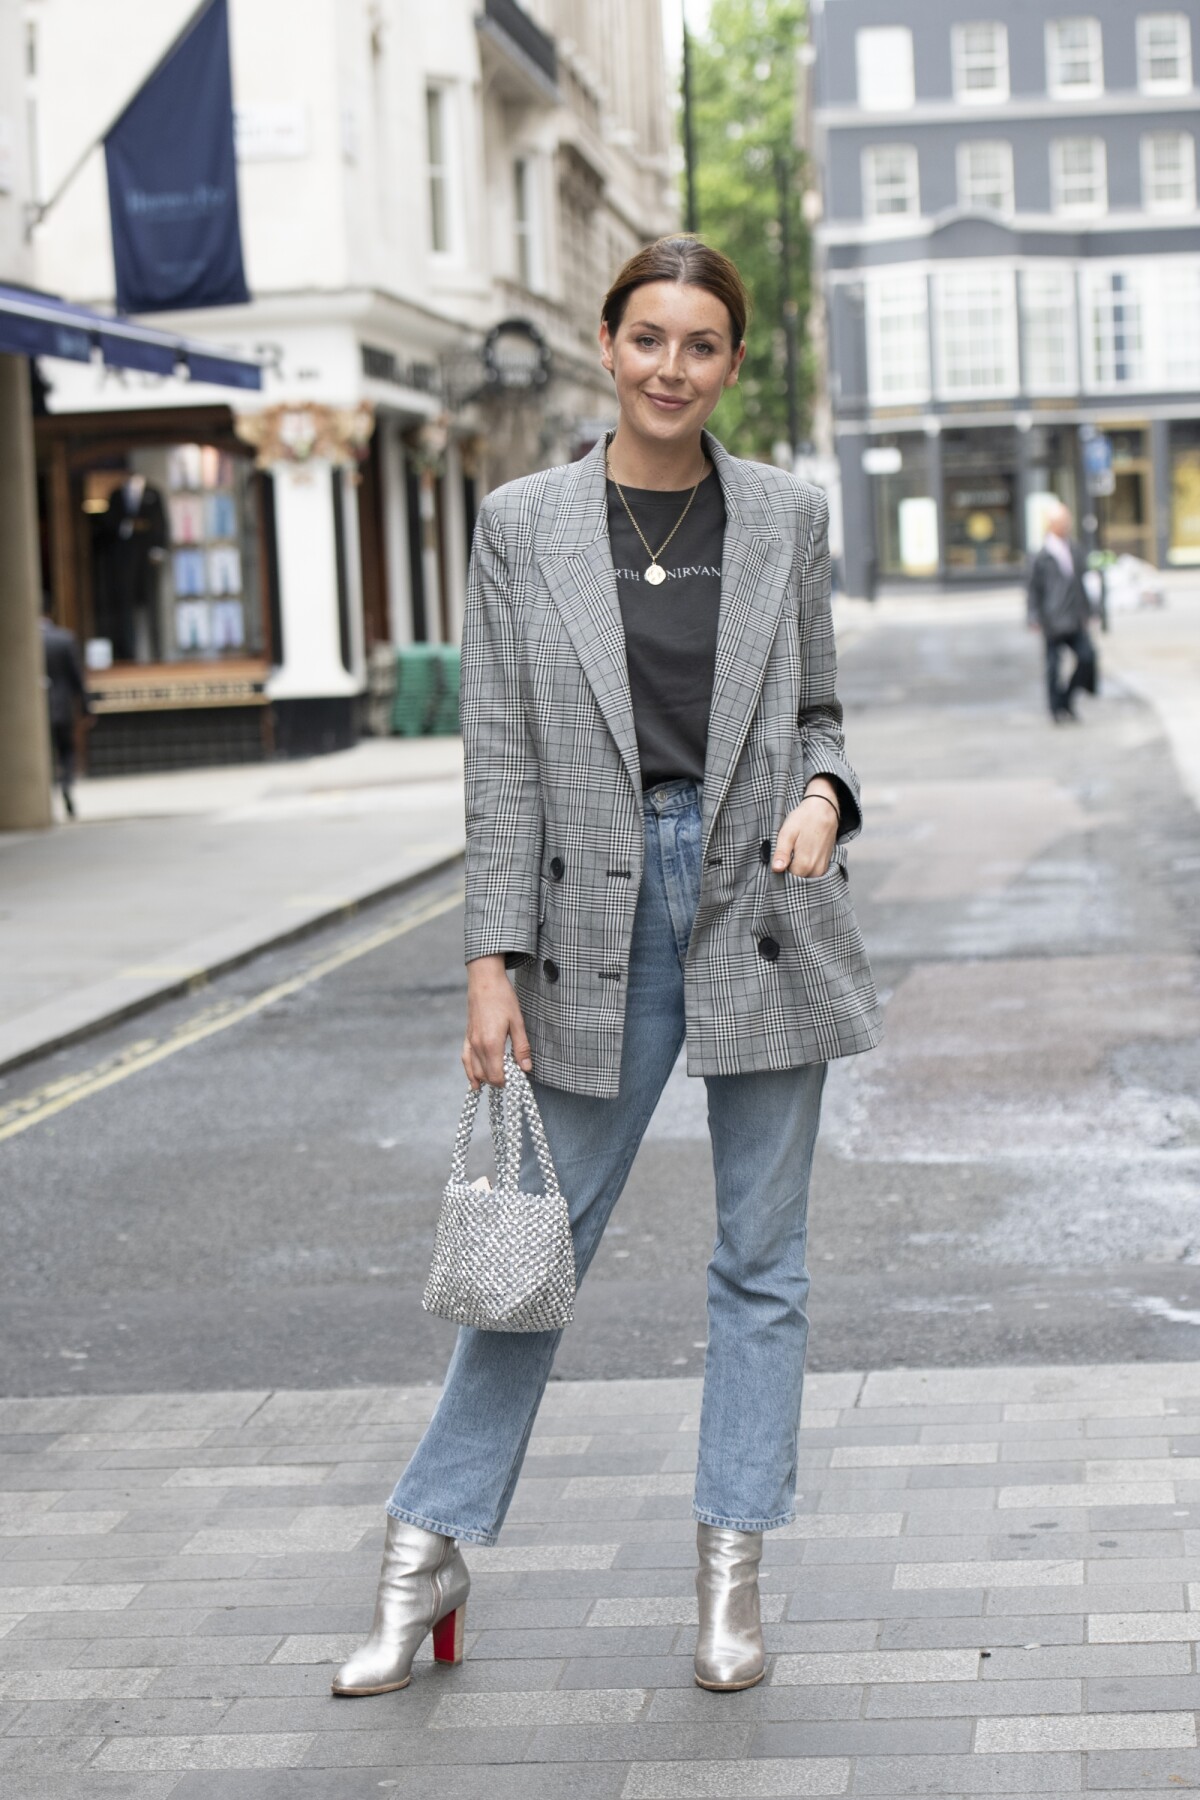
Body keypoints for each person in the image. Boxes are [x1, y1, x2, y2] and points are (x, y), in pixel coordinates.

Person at [333, 237, 881, 1701]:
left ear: (731, 365)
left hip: (757, 893)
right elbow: (500, 759)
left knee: (760, 1262)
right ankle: (424, 1544)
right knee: (531, 1257)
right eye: (649, 338)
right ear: (605, 343)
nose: (670, 368)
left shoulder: (786, 516)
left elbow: (821, 710)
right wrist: (485, 962)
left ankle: (730, 1573)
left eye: (702, 345)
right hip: (591, 909)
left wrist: (826, 797)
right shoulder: (522, 523)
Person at [1027, 504, 1097, 722]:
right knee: (1053, 667)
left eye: (1067, 521)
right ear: (1051, 525)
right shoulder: (1041, 556)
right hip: (1053, 619)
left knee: (1087, 658)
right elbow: (1033, 588)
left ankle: (1066, 700)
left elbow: (1084, 583)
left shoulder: (1075, 550)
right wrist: (1033, 616)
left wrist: (1091, 611)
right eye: (1061, 522)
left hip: (1075, 618)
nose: (1066, 526)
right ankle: (1056, 710)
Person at [40, 598, 91, 818]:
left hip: (37, 711)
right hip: (62, 707)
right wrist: (87, 707)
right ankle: (66, 784)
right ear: (50, 612)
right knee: (67, 751)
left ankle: (47, 789)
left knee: (44, 752)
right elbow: (77, 677)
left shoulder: (21, 639)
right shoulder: (63, 639)